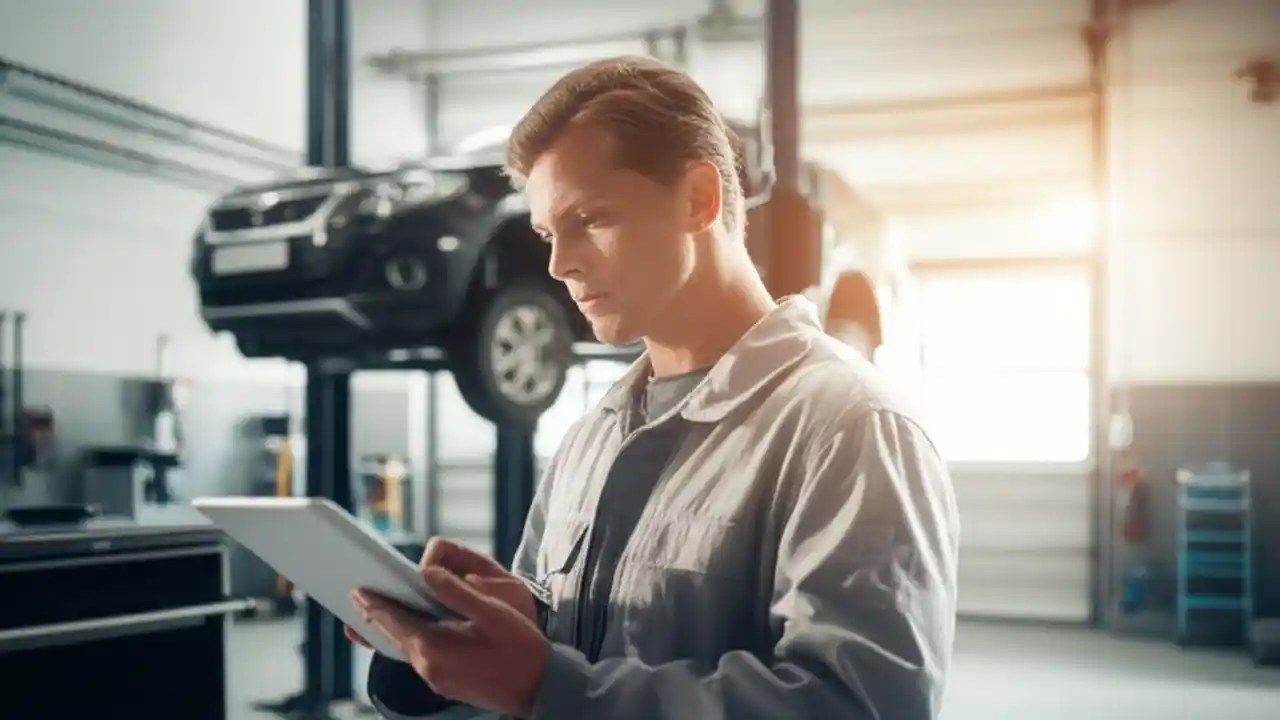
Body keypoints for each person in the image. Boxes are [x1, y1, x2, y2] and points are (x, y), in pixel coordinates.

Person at [347, 55, 960, 719]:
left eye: (592, 219)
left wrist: (547, 684)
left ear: (699, 199)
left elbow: (857, 706)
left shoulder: (850, 430)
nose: (559, 264)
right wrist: (519, 624)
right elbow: (585, 657)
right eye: (550, 233)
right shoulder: (593, 436)